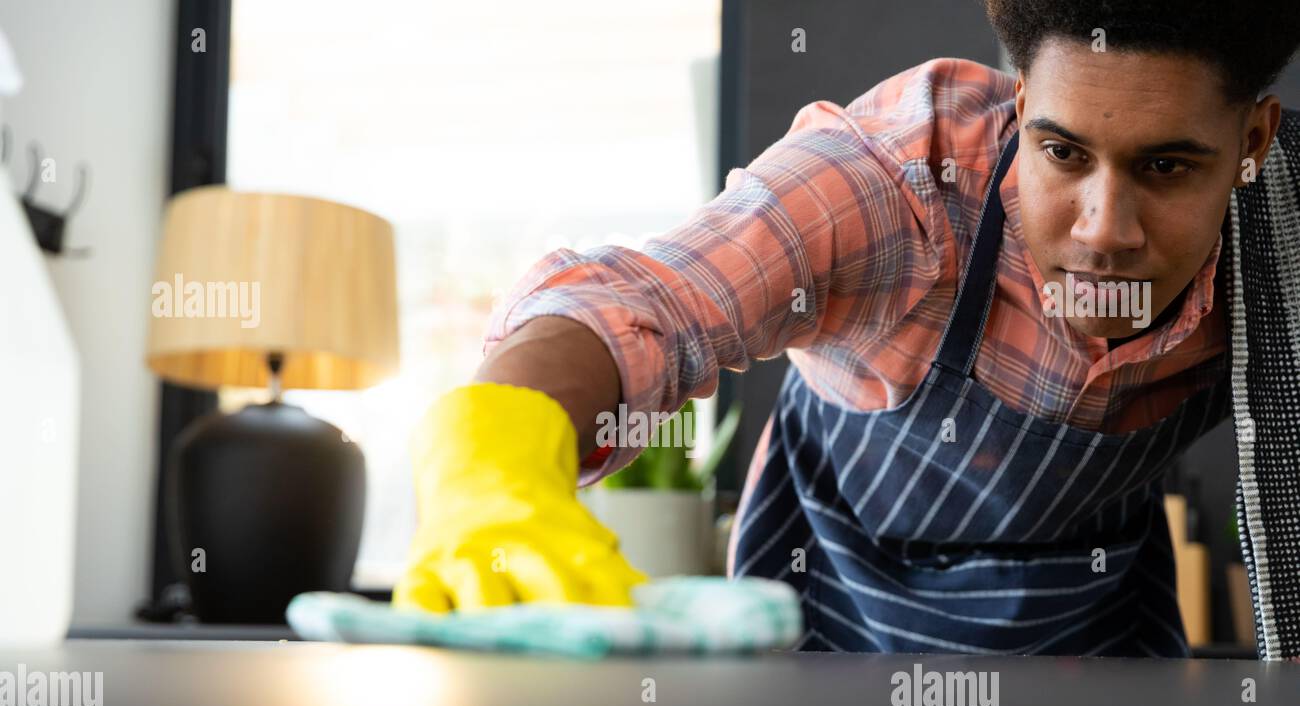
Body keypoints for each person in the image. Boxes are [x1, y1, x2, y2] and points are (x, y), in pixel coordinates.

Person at [393, 1, 1300, 657]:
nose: (1106, 230)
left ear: (1255, 142)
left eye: (1170, 166)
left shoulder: (1285, 233)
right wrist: (492, 465)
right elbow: (648, 301)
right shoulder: (900, 177)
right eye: (1062, 153)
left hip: (1103, 668)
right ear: (1022, 109)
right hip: (827, 639)